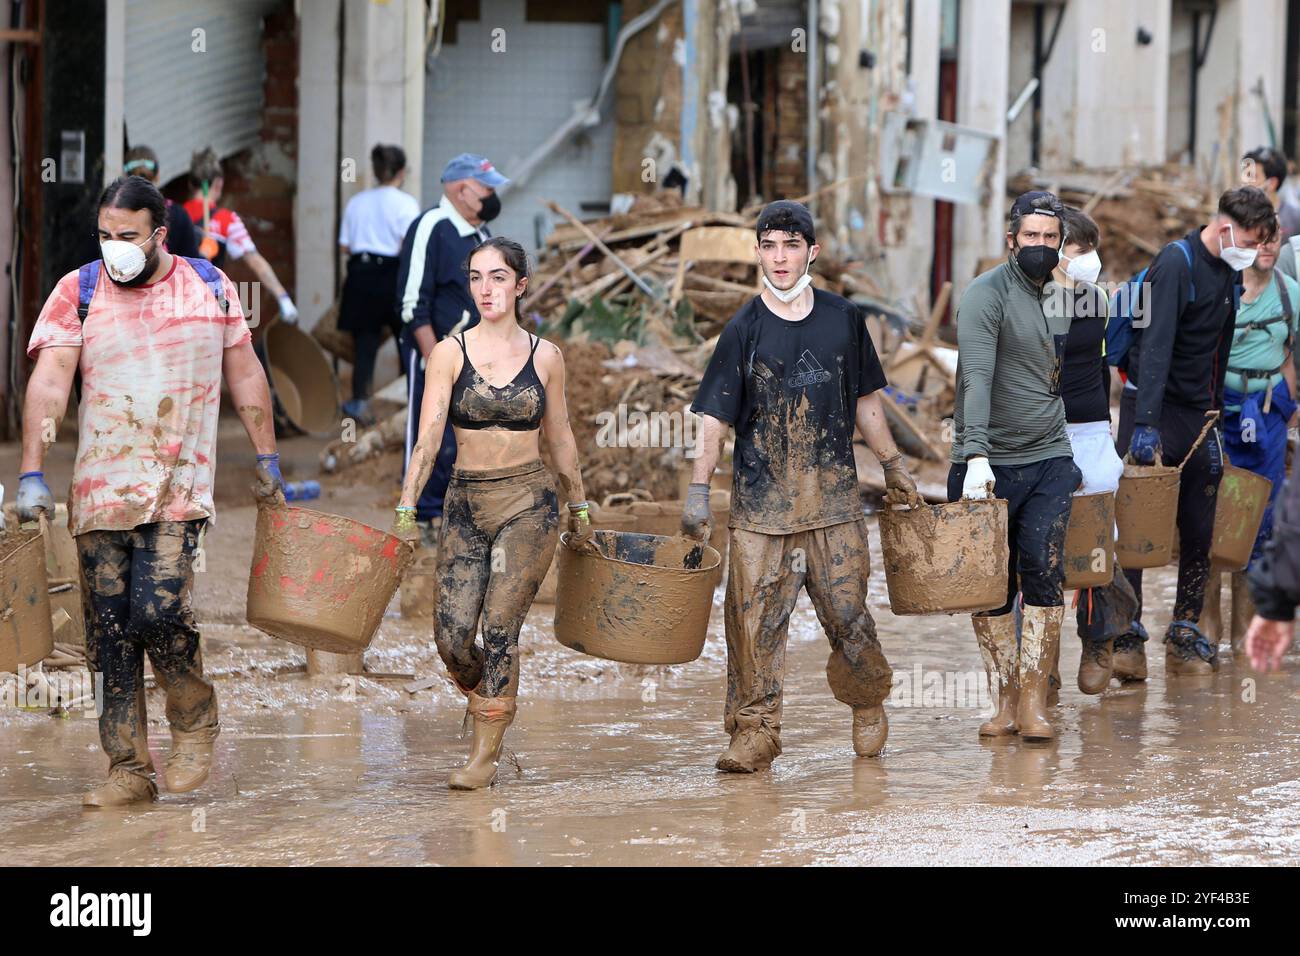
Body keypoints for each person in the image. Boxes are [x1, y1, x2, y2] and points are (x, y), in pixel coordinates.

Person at [16, 176, 282, 807]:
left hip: (178, 490)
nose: (115, 248)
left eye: (128, 236)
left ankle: (192, 716)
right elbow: (51, 381)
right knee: (107, 633)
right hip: (100, 491)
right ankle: (128, 768)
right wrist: (31, 471)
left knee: (157, 613)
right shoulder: (77, 291)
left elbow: (245, 371)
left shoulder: (210, 287)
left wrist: (267, 454)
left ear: (159, 233)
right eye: (105, 236)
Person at [685, 200, 917, 773]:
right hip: (761, 511)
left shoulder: (843, 318)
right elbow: (714, 418)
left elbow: (865, 401)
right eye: (769, 246)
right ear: (758, 254)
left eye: (791, 245)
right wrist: (697, 490)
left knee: (848, 614)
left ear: (812, 252)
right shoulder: (743, 329)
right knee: (752, 626)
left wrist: (892, 464)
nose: (780, 257)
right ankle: (754, 730)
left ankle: (866, 700)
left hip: (834, 504)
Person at [395, 237, 588, 790]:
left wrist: (580, 505)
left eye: (498, 277)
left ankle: (485, 753)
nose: (486, 288)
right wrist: (407, 506)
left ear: (520, 285)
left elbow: (562, 436)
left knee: (500, 626)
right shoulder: (448, 353)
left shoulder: (545, 356)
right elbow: (429, 436)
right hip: (465, 502)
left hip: (529, 501)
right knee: (452, 638)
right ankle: (489, 699)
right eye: (477, 277)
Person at [1114, 186, 1278, 677]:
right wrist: (1144, 425)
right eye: (1248, 240)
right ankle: (1127, 637)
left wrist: (1218, 416)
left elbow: (1219, 347)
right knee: (1140, 529)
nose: (1251, 251)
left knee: (1200, 526)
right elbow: (1157, 343)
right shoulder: (1176, 263)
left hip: (1199, 415)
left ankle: (1184, 631)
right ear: (1225, 228)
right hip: (1152, 409)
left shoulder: (1229, 271)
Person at [950, 191, 1082, 741]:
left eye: (1050, 239)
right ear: (1011, 240)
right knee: (992, 587)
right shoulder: (985, 295)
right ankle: (1003, 697)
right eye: (1031, 237)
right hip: (990, 459)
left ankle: (1034, 699)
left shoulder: (1064, 294)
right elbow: (975, 377)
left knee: (1044, 565)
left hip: (1051, 453)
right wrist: (976, 452)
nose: (1041, 247)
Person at [394, 153, 507, 547]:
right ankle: (419, 516)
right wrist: (433, 359)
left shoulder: (481, 235)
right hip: (435, 351)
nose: (493, 196)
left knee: (465, 438)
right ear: (463, 189)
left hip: (473, 357)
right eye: (487, 188)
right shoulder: (431, 226)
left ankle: (451, 514)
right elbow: (412, 303)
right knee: (429, 433)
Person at [1046, 205, 1137, 695]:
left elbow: (1108, 366)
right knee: (1036, 543)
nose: (1089, 260)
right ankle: (1043, 659)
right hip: (1038, 430)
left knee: (1100, 534)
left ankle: (1100, 640)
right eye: (1080, 251)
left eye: (1090, 251)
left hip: (1091, 429)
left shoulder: (1099, 301)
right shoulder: (1029, 301)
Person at [1209, 229, 1299, 648]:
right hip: (1216, 410)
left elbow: (1294, 357)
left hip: (1268, 413)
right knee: (1208, 513)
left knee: (1262, 519)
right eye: (1257, 240)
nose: (1266, 248)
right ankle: (1203, 623)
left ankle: (1245, 629)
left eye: (1273, 241)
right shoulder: (1218, 287)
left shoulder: (1290, 294)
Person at [337, 144, 420, 424]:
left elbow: (345, 247)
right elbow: (408, 246)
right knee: (405, 338)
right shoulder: (406, 203)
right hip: (392, 274)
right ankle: (411, 400)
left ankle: (360, 402)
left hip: (360, 275)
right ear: (400, 172)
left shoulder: (357, 201)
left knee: (366, 341)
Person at [185, 147, 298, 324]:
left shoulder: (173, 215)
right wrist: (283, 297)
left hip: (175, 303)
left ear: (191, 184)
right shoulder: (227, 220)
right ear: (219, 183)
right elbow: (255, 262)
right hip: (213, 303)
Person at [122, 145, 200, 259]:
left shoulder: (112, 216)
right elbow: (192, 263)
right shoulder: (178, 215)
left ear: (124, 176)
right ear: (158, 175)